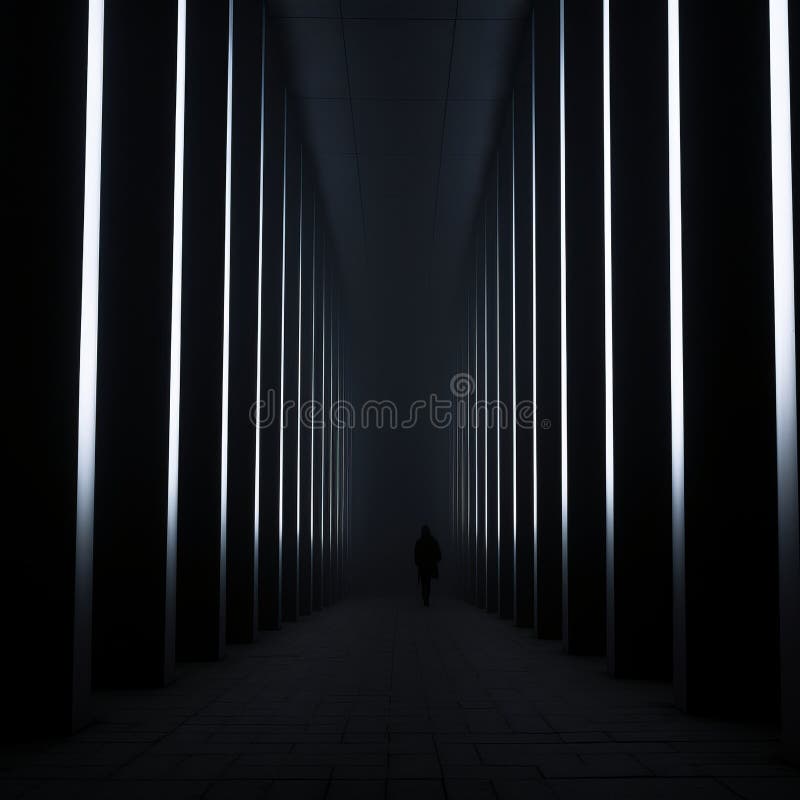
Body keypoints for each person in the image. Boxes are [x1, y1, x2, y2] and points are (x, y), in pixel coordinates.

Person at [414, 525, 441, 607]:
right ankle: (426, 598)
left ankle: (425, 597)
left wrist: (418, 562)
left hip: (423, 566)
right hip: (429, 566)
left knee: (424, 582)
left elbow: (416, 555)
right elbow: (438, 555)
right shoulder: (433, 541)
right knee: (427, 583)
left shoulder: (419, 542)